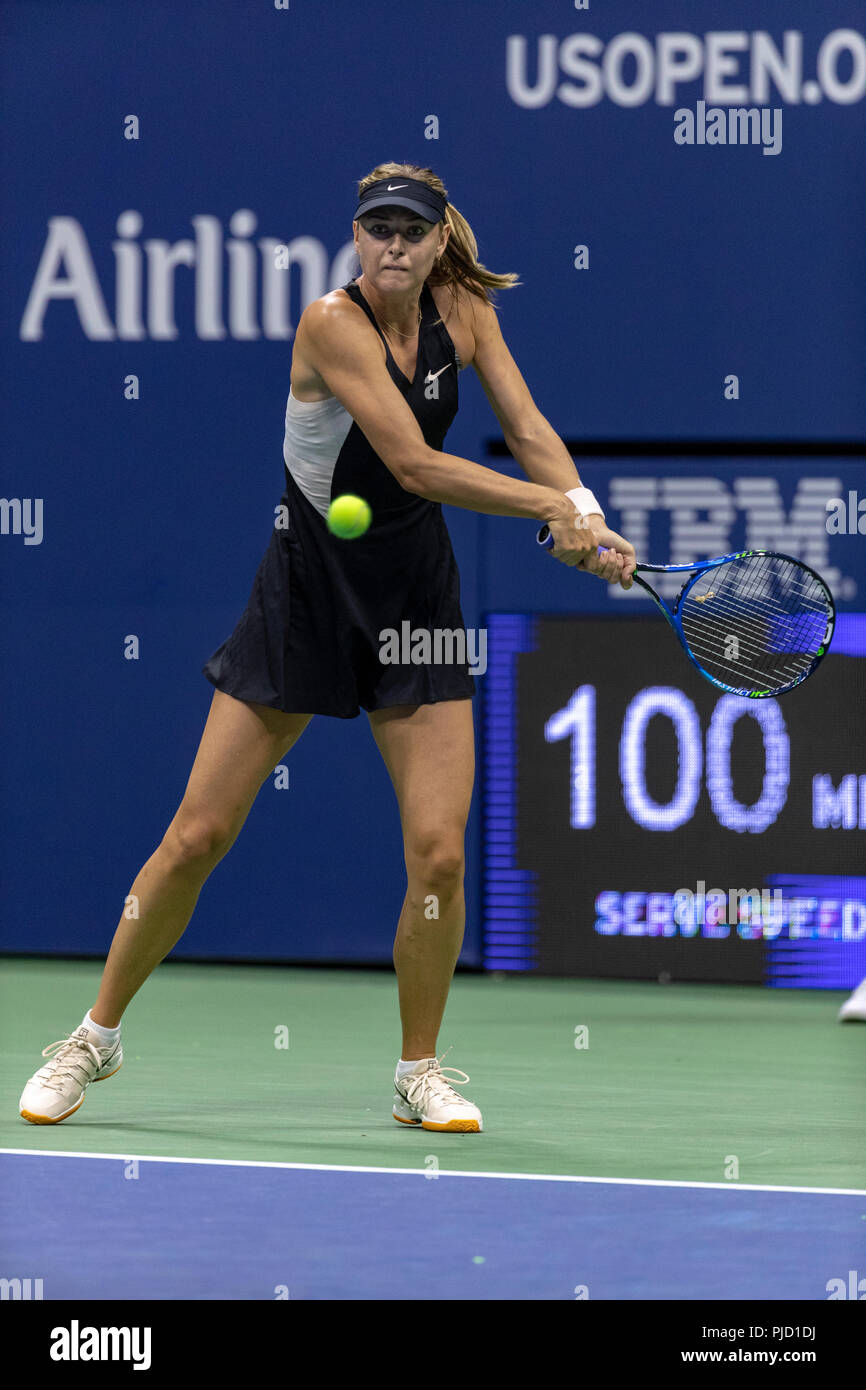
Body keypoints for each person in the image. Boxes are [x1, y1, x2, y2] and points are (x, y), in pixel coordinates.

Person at [19, 162, 636, 1135]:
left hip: (415, 596)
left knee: (437, 853)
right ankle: (92, 1035)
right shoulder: (329, 324)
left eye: (410, 229)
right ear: (358, 237)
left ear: (440, 240)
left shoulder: (463, 310)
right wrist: (547, 509)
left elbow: (524, 425)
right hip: (305, 594)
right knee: (198, 835)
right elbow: (413, 463)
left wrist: (590, 520)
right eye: (375, 227)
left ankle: (419, 1069)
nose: (391, 243)